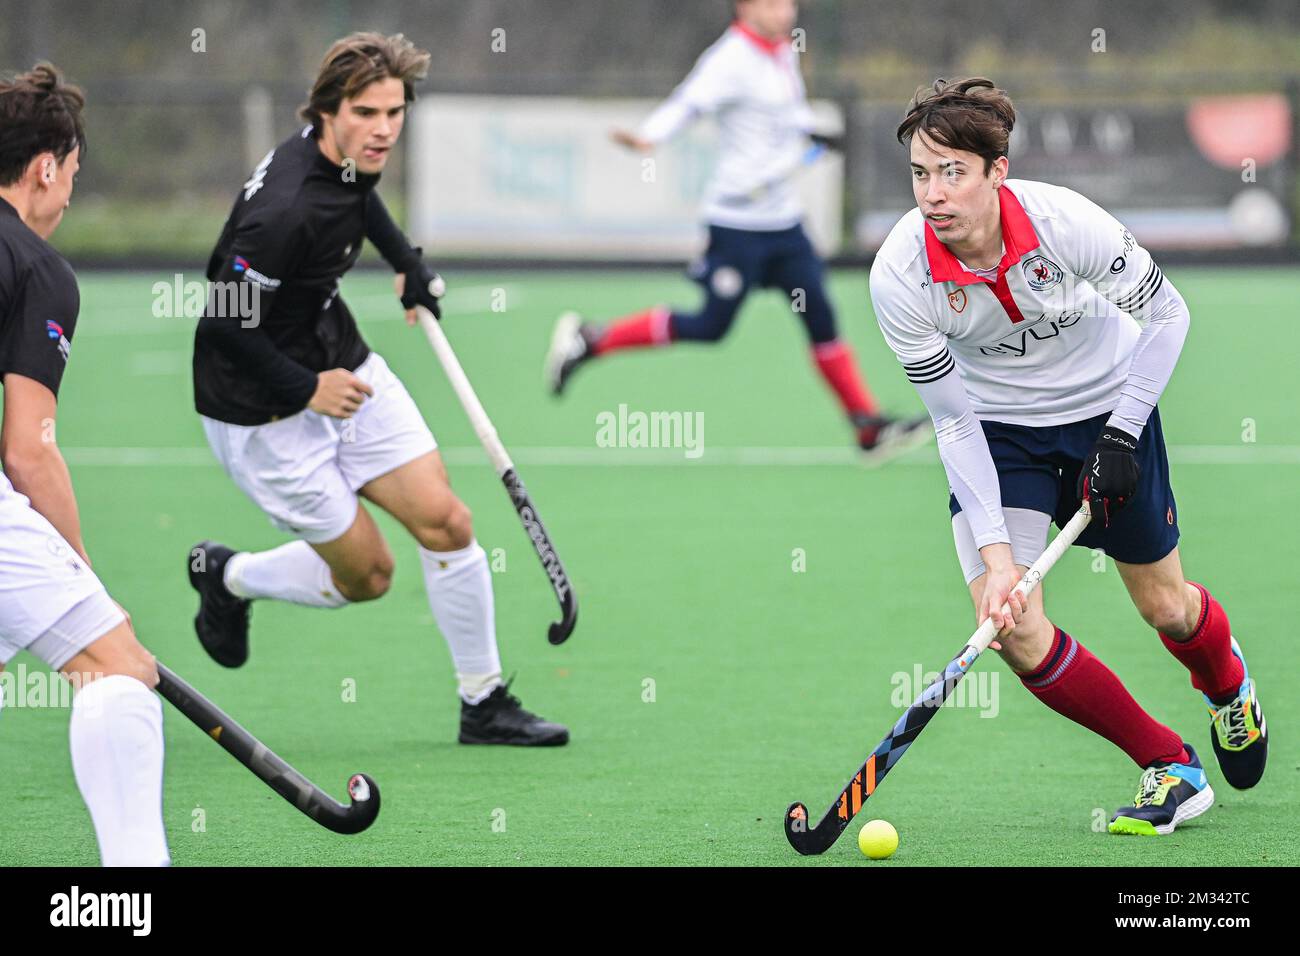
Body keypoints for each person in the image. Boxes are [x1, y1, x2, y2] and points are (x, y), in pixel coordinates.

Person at [869, 77, 1266, 834]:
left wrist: (1122, 433)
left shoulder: (1064, 222)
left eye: (953, 172)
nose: (934, 194)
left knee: (1167, 607)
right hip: (999, 432)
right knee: (1015, 625)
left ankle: (1229, 688)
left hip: (1109, 407)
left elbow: (1168, 313)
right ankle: (1168, 764)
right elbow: (953, 424)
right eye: (921, 174)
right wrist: (997, 559)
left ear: (997, 170)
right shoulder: (900, 276)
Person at [189, 33, 567, 746]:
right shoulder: (282, 211)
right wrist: (306, 389)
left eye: (396, 112)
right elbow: (224, 326)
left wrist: (406, 262)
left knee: (448, 522)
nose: (385, 128)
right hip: (261, 407)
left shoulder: (348, 158)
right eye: (368, 112)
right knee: (369, 576)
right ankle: (227, 576)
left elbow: (360, 203)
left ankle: (482, 703)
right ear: (327, 112)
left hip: (341, 362)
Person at [545, 0, 929, 458]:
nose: (785, 11)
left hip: (783, 221)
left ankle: (867, 427)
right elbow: (687, 104)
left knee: (821, 316)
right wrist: (649, 136)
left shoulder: (782, 51)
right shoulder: (728, 60)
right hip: (737, 224)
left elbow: (785, 117)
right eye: (772, 2)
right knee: (711, 325)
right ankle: (592, 340)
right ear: (744, 7)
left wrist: (813, 132)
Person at [0, 63, 169, 864]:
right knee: (117, 665)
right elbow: (29, 452)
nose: (69, 193)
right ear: (45, 167)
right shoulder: (38, 270)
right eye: (72, 173)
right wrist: (80, 572)